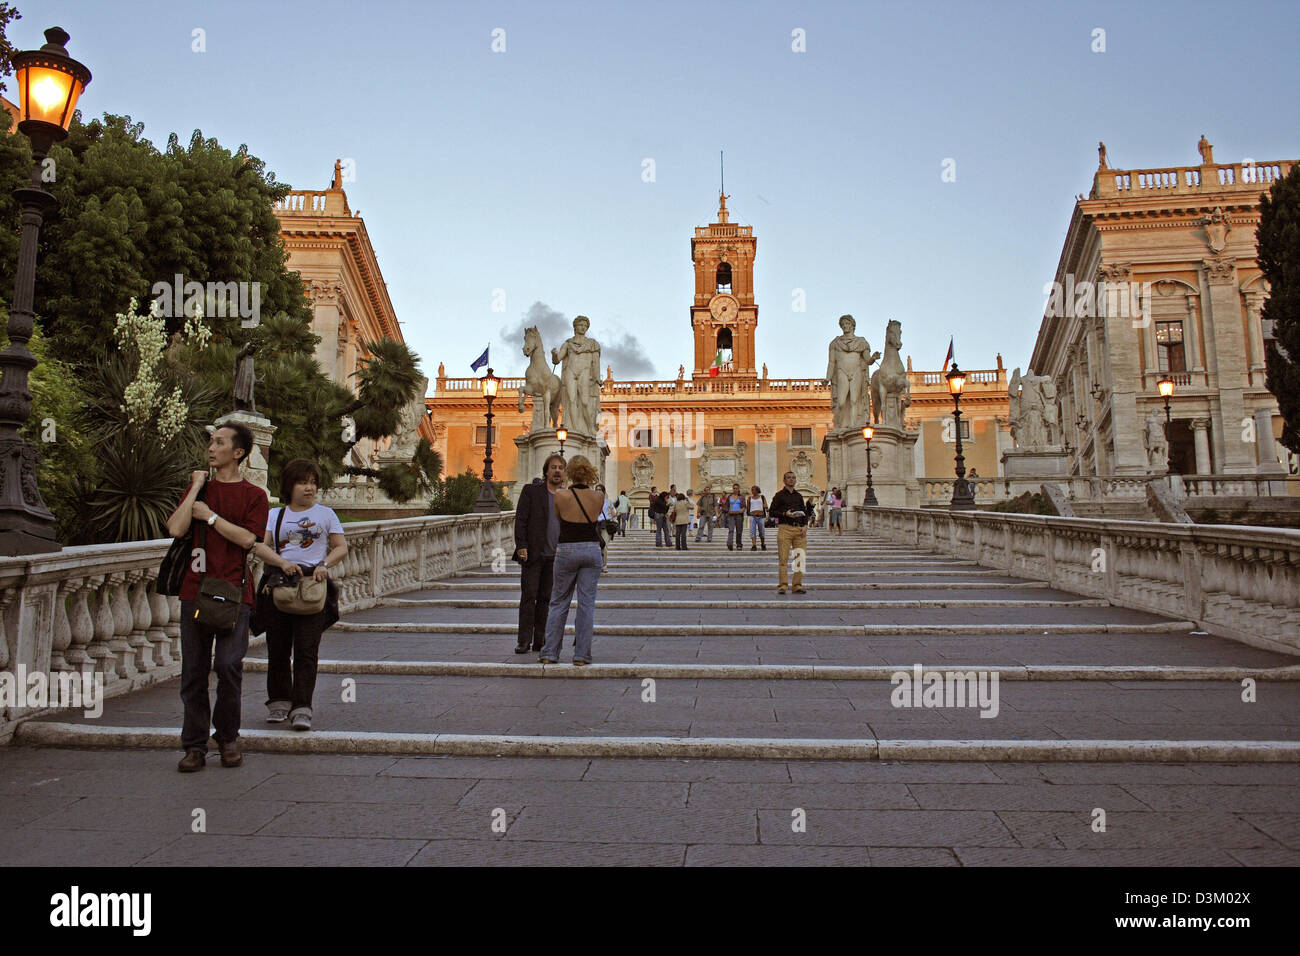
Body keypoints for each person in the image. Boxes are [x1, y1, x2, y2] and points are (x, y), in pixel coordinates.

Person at [166, 422, 269, 772]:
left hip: (234, 593)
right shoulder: (199, 490)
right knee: (193, 672)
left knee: (228, 666)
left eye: (220, 442)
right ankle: (194, 745)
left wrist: (210, 517)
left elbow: (248, 540)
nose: (211, 447)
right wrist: (196, 488)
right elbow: (176, 528)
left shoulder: (254, 495)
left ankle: (227, 737)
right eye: (211, 441)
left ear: (238, 453)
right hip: (195, 591)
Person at [254, 459, 346, 732]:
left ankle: (302, 707)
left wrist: (324, 564)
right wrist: (282, 562)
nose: (309, 488)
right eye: (303, 483)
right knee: (278, 648)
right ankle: (279, 702)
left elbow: (340, 547)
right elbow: (260, 546)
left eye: (313, 483)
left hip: (312, 586)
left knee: (307, 650)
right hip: (281, 584)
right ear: (289, 485)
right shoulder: (276, 515)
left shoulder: (326, 514)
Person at [538, 455, 606, 666]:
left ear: (570, 473)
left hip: (567, 549)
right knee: (586, 604)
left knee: (559, 602)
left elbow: (559, 518)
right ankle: (582, 655)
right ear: (589, 472)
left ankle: (550, 653)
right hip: (591, 549)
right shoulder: (599, 496)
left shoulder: (561, 495)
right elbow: (596, 518)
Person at [512, 454, 566, 654]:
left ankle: (540, 640)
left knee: (546, 599)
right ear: (546, 471)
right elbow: (521, 519)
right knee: (529, 597)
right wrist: (521, 545)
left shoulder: (566, 496)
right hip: (533, 554)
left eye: (560, 468)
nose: (557, 471)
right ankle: (523, 640)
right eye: (553, 467)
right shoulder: (531, 491)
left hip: (555, 556)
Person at [771, 470, 809, 595]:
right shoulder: (779, 495)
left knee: (800, 558)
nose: (791, 479)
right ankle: (783, 585)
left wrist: (805, 525)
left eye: (793, 477)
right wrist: (784, 514)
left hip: (799, 530)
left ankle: (797, 585)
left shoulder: (799, 496)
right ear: (784, 480)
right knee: (783, 558)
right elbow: (771, 512)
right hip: (785, 528)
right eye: (789, 477)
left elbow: (804, 512)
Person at [724, 483, 747, 551]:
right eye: (734, 488)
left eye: (736, 488)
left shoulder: (741, 497)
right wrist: (728, 511)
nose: (735, 490)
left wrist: (741, 510)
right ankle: (730, 543)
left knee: (739, 530)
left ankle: (739, 545)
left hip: (739, 515)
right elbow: (726, 506)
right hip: (731, 515)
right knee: (731, 530)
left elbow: (744, 506)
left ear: (738, 489)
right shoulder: (729, 496)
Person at [747, 484, 768, 551]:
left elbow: (766, 505)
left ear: (757, 490)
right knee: (752, 530)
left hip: (761, 516)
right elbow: (748, 507)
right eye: (752, 490)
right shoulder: (749, 498)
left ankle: (763, 544)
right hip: (752, 516)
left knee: (761, 531)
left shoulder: (762, 497)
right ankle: (754, 545)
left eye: (753, 490)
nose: (752, 491)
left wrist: (765, 507)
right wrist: (749, 513)